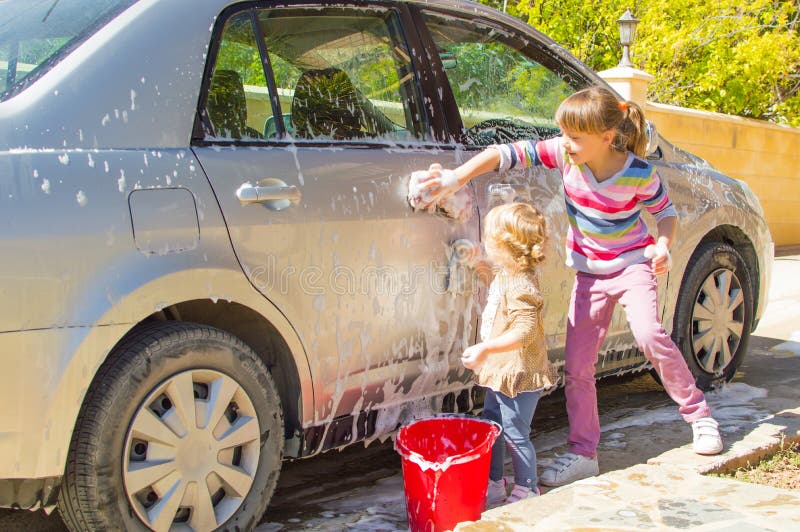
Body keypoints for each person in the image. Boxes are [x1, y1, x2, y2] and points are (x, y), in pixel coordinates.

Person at [417, 86, 724, 489]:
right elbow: (504, 154)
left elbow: (665, 213)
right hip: (589, 273)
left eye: (575, 137)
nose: (565, 143)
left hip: (632, 264)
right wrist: (456, 177)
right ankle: (584, 453)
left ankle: (699, 416)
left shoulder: (638, 172)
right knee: (578, 368)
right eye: (563, 133)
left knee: (650, 335)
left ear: (607, 137)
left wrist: (663, 245)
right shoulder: (564, 155)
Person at [460, 202, 557, 507]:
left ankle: (528, 487)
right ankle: (494, 482)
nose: (485, 242)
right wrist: (479, 266)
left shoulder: (521, 284)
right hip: (502, 370)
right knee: (493, 426)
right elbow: (496, 287)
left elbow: (524, 331)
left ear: (505, 247)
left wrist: (485, 348)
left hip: (519, 374)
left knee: (515, 432)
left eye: (489, 238)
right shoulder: (508, 274)